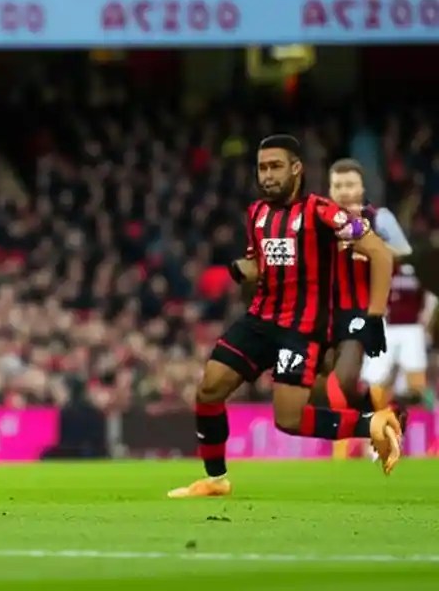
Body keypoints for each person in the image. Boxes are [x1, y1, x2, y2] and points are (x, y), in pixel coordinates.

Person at [168, 135, 403, 499]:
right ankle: (216, 480)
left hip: (302, 328)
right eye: (262, 168)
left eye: (275, 166)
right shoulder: (257, 214)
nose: (267, 175)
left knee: (289, 420)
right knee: (208, 389)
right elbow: (263, 262)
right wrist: (239, 271)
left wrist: (373, 317)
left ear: (296, 169)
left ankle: (373, 423)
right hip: (259, 319)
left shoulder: (323, 211)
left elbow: (379, 253)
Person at [321, 158, 412, 414]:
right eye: (338, 185)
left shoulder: (379, 218)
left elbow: (405, 254)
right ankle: (380, 409)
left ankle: (376, 408)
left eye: (350, 184)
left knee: (342, 381)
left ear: (362, 188)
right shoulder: (321, 221)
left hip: (362, 310)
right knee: (328, 383)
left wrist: (375, 251)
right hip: (324, 313)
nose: (345, 191)